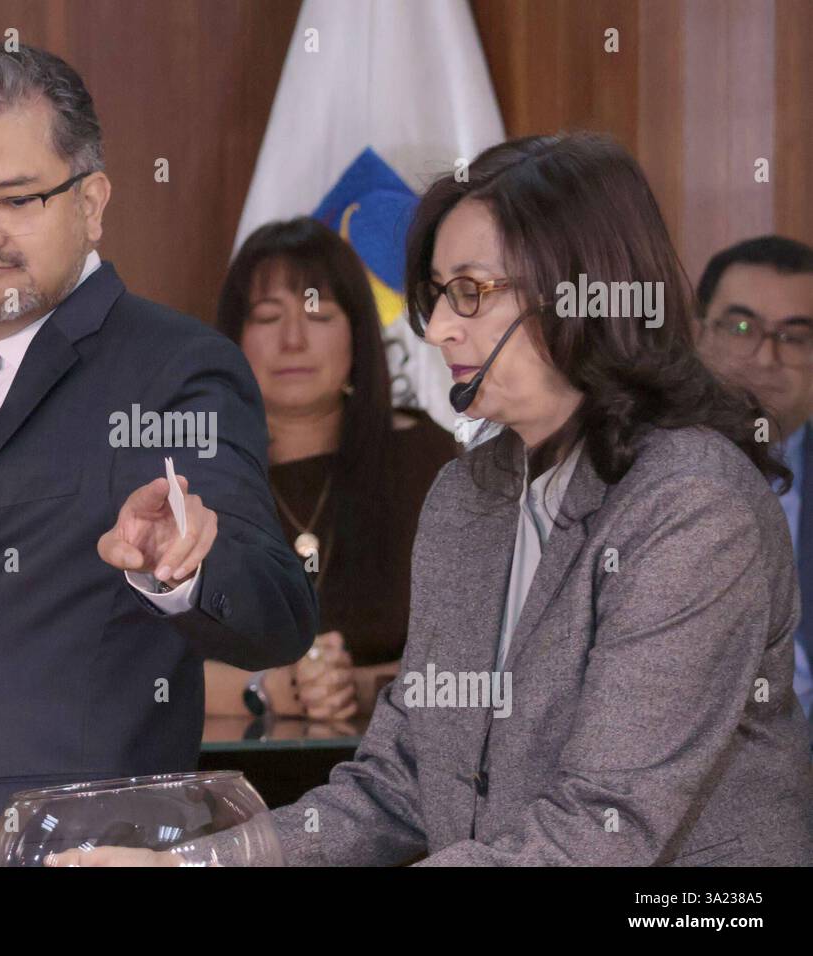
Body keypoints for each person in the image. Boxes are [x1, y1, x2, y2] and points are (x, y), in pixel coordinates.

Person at [51, 132, 813, 867]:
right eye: (440, 294)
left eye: (472, 293)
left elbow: (599, 832)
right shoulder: (465, 492)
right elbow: (400, 779)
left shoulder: (691, 505)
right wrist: (198, 865)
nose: (440, 326)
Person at [0, 41, 316, 866]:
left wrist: (185, 566)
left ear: (93, 203)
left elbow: (275, 608)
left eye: (15, 198)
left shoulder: (170, 369)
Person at [205, 218, 457, 722]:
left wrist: (357, 688)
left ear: (358, 334)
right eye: (268, 316)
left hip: (405, 774)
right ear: (234, 338)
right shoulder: (196, 471)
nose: (293, 340)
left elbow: (483, 654)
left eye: (318, 316)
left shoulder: (427, 460)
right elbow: (144, 668)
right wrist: (274, 689)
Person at [695, 235, 813, 738]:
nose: (766, 358)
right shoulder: (630, 471)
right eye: (741, 327)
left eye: (796, 335)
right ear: (699, 335)